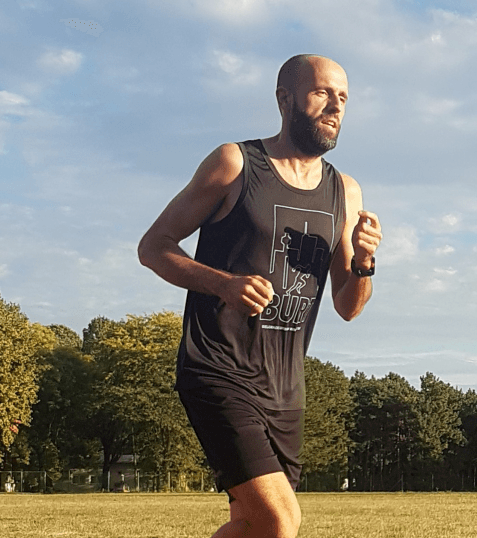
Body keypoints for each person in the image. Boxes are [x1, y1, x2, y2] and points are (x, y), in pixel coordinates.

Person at [138, 54, 382, 538]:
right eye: (321, 93)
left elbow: (348, 306)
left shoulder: (344, 191)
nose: (335, 106)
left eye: (344, 98)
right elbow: (154, 247)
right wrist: (222, 283)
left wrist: (364, 263)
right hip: (218, 367)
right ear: (284, 99)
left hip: (285, 386)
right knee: (280, 520)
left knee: (250, 525)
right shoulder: (235, 163)